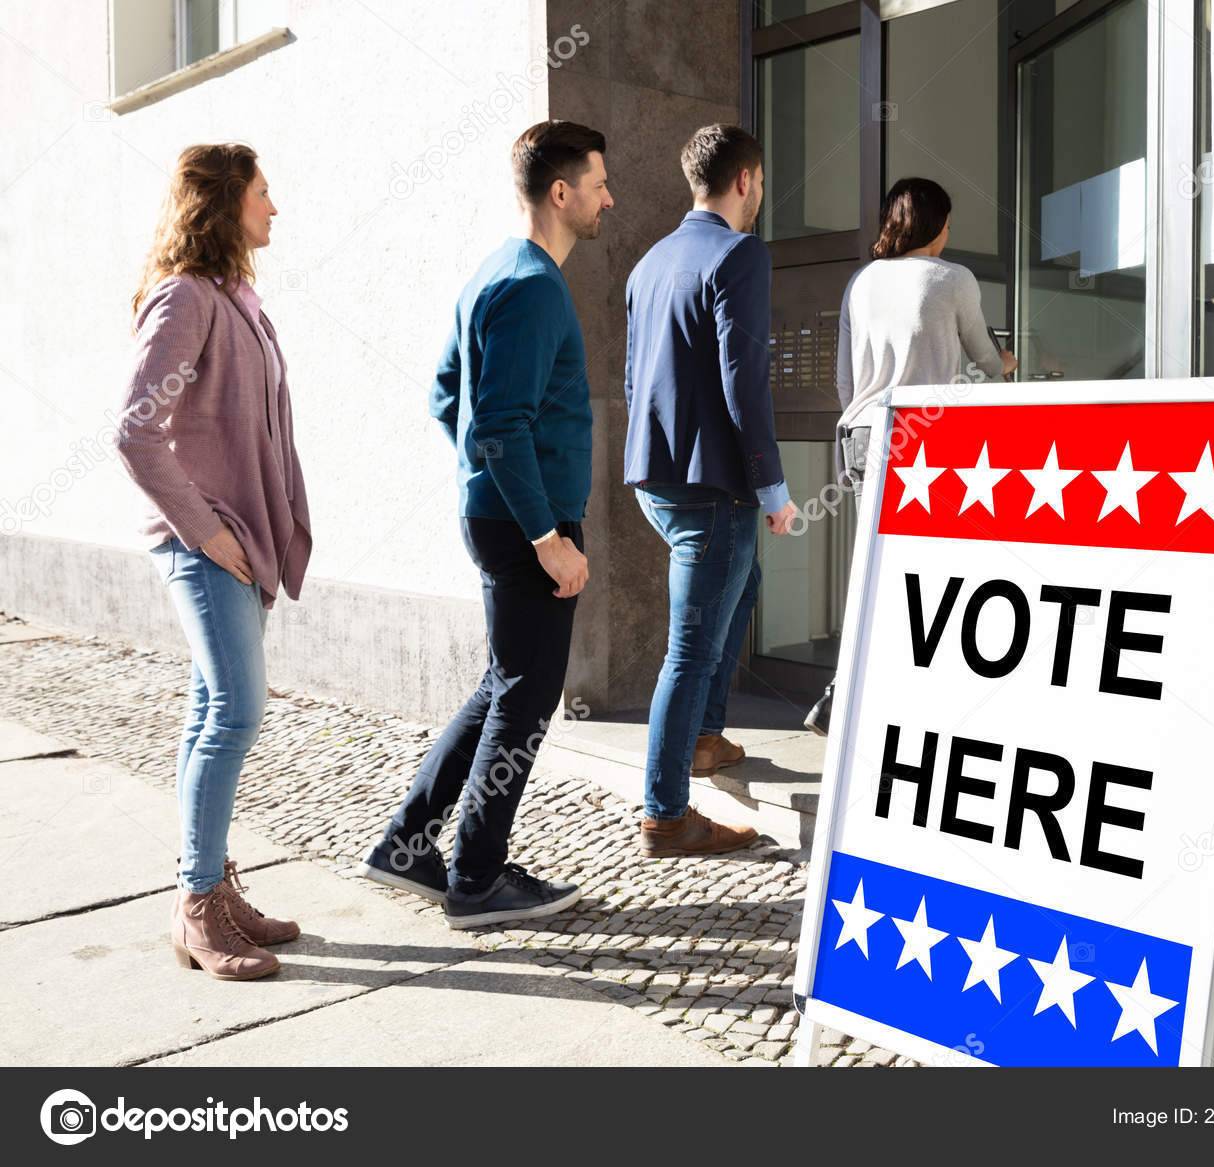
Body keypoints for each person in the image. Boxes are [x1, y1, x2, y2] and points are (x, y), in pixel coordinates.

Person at [357, 120, 612, 928]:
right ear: (560, 193)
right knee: (527, 699)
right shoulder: (534, 284)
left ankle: (407, 843)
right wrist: (547, 535)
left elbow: (446, 395)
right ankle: (476, 878)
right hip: (529, 524)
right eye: (600, 183)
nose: (611, 197)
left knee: (504, 684)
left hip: (501, 511)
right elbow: (494, 423)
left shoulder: (493, 272)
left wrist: (484, 477)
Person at [116, 143, 312, 980]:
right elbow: (133, 431)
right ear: (225, 204)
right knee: (236, 712)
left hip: (237, 536)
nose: (276, 207)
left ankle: (214, 885)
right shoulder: (185, 298)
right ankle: (197, 905)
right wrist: (207, 531)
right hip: (205, 542)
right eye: (264, 193)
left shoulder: (237, 296)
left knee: (212, 712)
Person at [623, 123, 799, 857]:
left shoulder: (649, 263)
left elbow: (636, 379)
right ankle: (666, 813)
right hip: (713, 484)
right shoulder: (740, 253)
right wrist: (774, 489)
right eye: (759, 184)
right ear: (747, 181)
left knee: (744, 583)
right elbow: (742, 381)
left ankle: (705, 736)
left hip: (657, 478)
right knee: (689, 649)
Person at [804, 176, 1016, 736]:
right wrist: (1008, 361)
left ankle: (842, 694)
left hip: (861, 437)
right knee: (932, 577)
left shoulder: (862, 282)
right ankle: (916, 702)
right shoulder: (952, 279)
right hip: (925, 442)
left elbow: (845, 379)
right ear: (938, 225)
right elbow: (988, 363)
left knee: (876, 569)